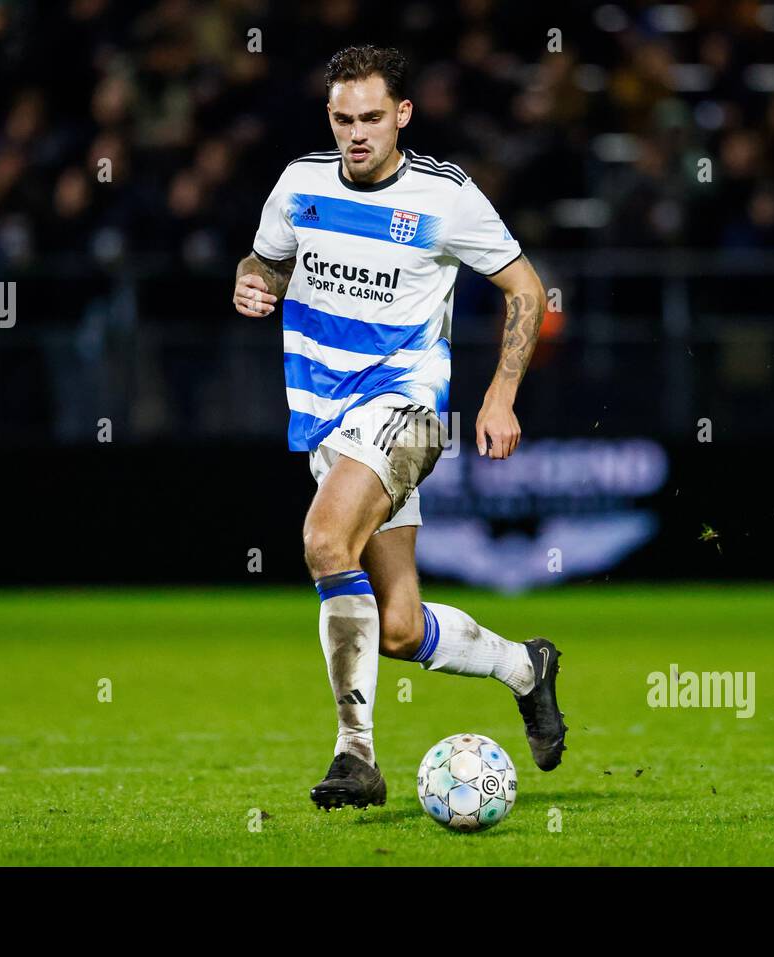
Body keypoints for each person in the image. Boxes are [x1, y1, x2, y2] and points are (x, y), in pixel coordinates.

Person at [232, 45, 565, 811]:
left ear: (403, 115)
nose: (357, 133)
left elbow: (526, 288)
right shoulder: (299, 184)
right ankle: (526, 667)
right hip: (325, 418)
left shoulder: (446, 197)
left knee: (323, 540)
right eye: (344, 118)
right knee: (401, 629)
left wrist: (501, 394)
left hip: (407, 407)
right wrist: (254, 286)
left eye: (373, 117)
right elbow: (264, 264)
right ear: (330, 117)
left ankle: (357, 756)